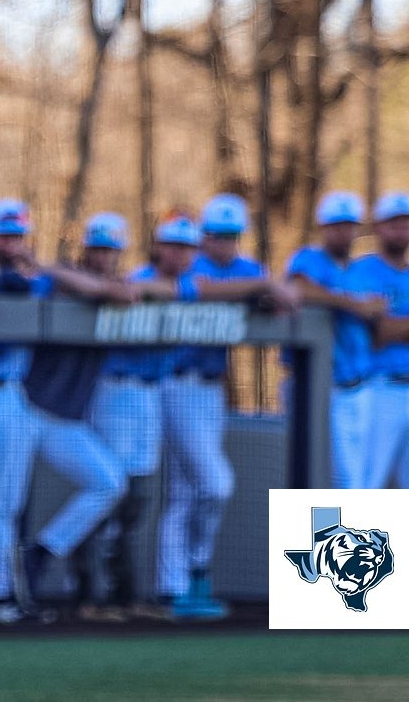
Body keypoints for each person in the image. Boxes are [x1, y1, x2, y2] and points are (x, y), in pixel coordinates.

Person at [154, 193, 298, 621]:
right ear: (204, 237)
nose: (224, 244)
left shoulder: (247, 268)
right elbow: (202, 290)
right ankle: (190, 573)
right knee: (214, 484)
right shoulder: (191, 263)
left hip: (211, 389)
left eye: (232, 236)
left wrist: (265, 292)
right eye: (217, 236)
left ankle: (179, 585)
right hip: (175, 382)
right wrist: (260, 287)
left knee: (187, 492)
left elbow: (284, 300)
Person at [17, 213, 133, 609]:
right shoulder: (61, 278)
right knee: (2, 506)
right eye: (96, 249)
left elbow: (121, 294)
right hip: (25, 407)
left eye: (109, 250)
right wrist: (48, 270)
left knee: (110, 482)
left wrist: (44, 265)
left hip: (64, 421)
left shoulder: (114, 285)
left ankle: (43, 551)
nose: (102, 257)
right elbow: (61, 283)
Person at [85, 214, 197, 621]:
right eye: (173, 246)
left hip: (151, 394)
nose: (180, 255)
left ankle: (127, 594)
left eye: (187, 248)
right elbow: (133, 290)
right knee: (111, 492)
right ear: (157, 247)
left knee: (139, 497)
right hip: (117, 389)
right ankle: (93, 593)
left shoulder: (186, 285)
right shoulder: (139, 279)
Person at [286, 192, 388, 489]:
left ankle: (343, 522)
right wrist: (351, 303)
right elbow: (298, 288)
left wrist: (373, 310)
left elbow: (378, 313)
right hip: (319, 388)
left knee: (358, 480)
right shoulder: (310, 259)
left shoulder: (359, 270)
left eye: (349, 225)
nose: (344, 232)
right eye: (337, 225)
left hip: (360, 386)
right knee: (331, 478)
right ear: (323, 227)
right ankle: (319, 523)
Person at [355, 192, 409, 490]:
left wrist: (397, 326)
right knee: (367, 482)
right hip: (379, 388)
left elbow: (391, 328)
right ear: (378, 227)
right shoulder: (363, 271)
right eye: (394, 224)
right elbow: (378, 334)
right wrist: (391, 328)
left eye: (406, 224)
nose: (401, 231)